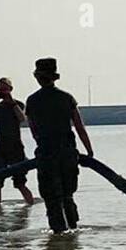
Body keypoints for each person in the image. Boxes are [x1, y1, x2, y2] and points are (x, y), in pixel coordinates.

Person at [25, 57, 94, 233]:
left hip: (46, 154)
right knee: (67, 195)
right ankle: (72, 231)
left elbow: (33, 131)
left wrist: (43, 145)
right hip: (67, 153)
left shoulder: (32, 101)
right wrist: (89, 151)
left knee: (51, 199)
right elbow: (79, 127)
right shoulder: (67, 98)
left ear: (38, 78)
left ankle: (59, 235)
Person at [0, 77, 36, 207]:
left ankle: (30, 207)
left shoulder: (18, 105)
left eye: (5, 89)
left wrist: (11, 102)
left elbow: (22, 118)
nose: (3, 91)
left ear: (11, 89)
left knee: (20, 182)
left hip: (16, 146)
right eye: (1, 89)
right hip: (1, 146)